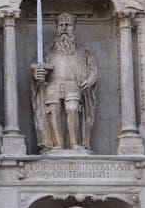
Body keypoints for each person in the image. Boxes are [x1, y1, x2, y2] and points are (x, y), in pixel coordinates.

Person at [31, 12, 97, 151]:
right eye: (61, 25)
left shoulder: (82, 52)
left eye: (67, 25)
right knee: (54, 111)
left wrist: (89, 81)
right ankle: (57, 145)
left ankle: (75, 144)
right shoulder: (48, 51)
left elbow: (93, 70)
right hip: (52, 86)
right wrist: (38, 75)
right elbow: (38, 72)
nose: (64, 28)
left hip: (74, 85)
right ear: (57, 28)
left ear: (73, 28)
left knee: (72, 109)